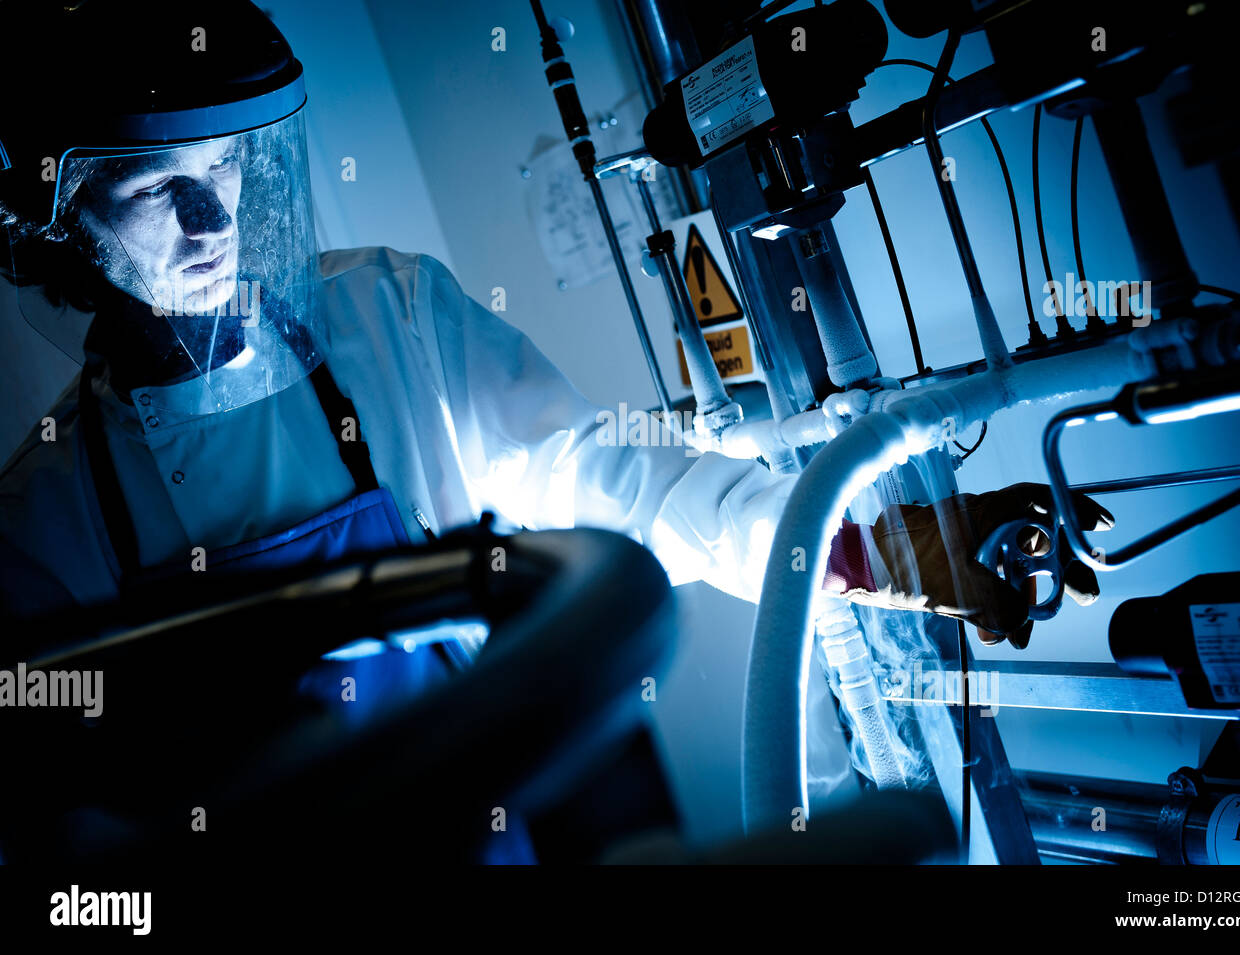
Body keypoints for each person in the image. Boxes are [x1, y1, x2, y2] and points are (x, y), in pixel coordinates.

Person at [0, 1, 1110, 653]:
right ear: (56, 220)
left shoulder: (385, 315)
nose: (214, 222)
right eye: (155, 190)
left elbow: (614, 485)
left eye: (227, 169)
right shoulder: (44, 522)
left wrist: (878, 543)